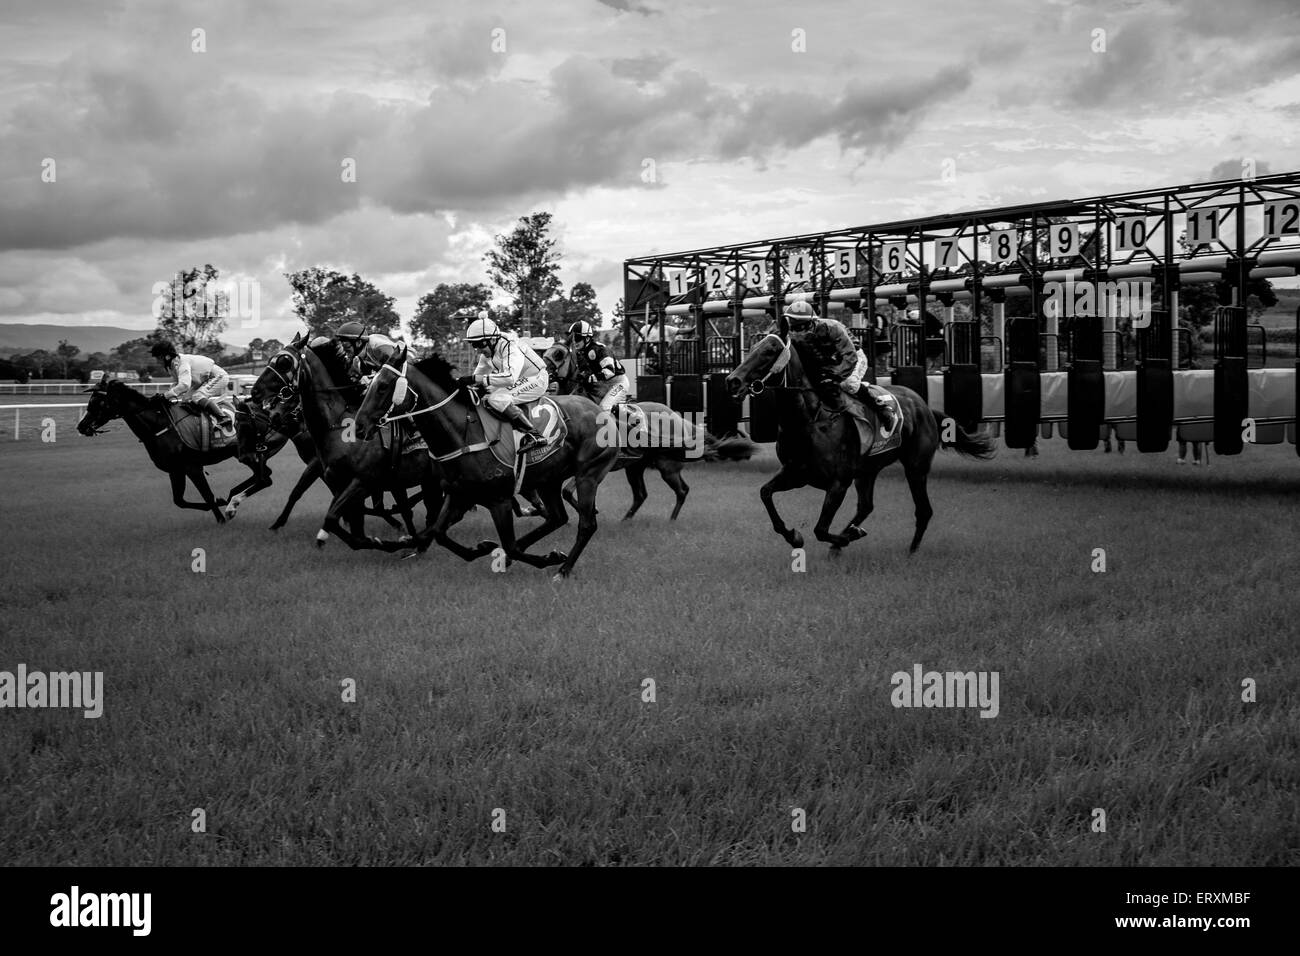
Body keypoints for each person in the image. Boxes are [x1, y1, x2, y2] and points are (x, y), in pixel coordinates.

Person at [784, 301, 896, 433]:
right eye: (794, 327)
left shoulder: (832, 327)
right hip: (828, 361)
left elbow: (850, 356)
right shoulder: (791, 334)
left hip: (852, 355)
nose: (798, 332)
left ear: (812, 322)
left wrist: (834, 376)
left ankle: (882, 409)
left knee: (848, 383)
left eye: (801, 327)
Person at [462, 311, 547, 451]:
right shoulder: (488, 351)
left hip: (536, 378)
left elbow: (509, 378)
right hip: (519, 380)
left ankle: (535, 435)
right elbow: (477, 377)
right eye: (474, 345)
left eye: (480, 344)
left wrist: (476, 379)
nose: (478, 350)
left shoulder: (510, 346)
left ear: (492, 340)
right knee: (483, 395)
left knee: (496, 398)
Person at [569, 320, 641, 428]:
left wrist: (590, 378)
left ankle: (610, 436)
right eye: (573, 338)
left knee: (604, 407)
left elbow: (609, 371)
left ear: (587, 338)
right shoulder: (581, 353)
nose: (574, 341)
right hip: (603, 384)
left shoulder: (600, 349)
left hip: (618, 383)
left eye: (577, 338)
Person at [151, 341, 235, 431]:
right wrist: (165, 396)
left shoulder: (182, 363)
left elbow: (184, 385)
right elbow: (177, 384)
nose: (157, 361)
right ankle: (200, 422)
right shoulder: (171, 366)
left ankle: (222, 417)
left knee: (198, 396)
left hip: (218, 376)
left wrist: (165, 396)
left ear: (167, 356)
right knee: (185, 400)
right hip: (203, 379)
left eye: (158, 357)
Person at [335, 321, 403, 381]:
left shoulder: (380, 349)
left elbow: (396, 373)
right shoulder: (356, 360)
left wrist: (372, 379)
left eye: (347, 347)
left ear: (358, 343)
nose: (344, 350)